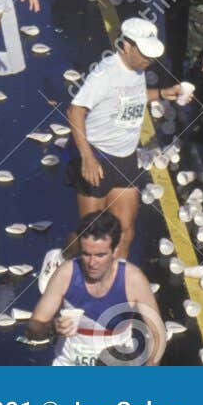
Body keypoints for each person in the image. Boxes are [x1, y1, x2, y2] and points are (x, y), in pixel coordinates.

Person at [62, 18, 184, 257]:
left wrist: (161, 93)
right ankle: (64, 257)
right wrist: (87, 158)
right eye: (144, 53)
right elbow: (74, 110)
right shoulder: (105, 73)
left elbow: (133, 95)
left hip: (125, 157)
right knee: (92, 234)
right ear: (126, 46)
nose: (149, 60)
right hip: (97, 157)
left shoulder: (137, 68)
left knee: (125, 231)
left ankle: (113, 286)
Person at [28, 213, 165, 366]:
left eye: (100, 255)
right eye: (86, 254)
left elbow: (157, 332)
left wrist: (152, 365)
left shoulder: (132, 279)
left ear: (115, 250)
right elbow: (33, 328)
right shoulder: (66, 274)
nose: (92, 263)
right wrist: (53, 327)